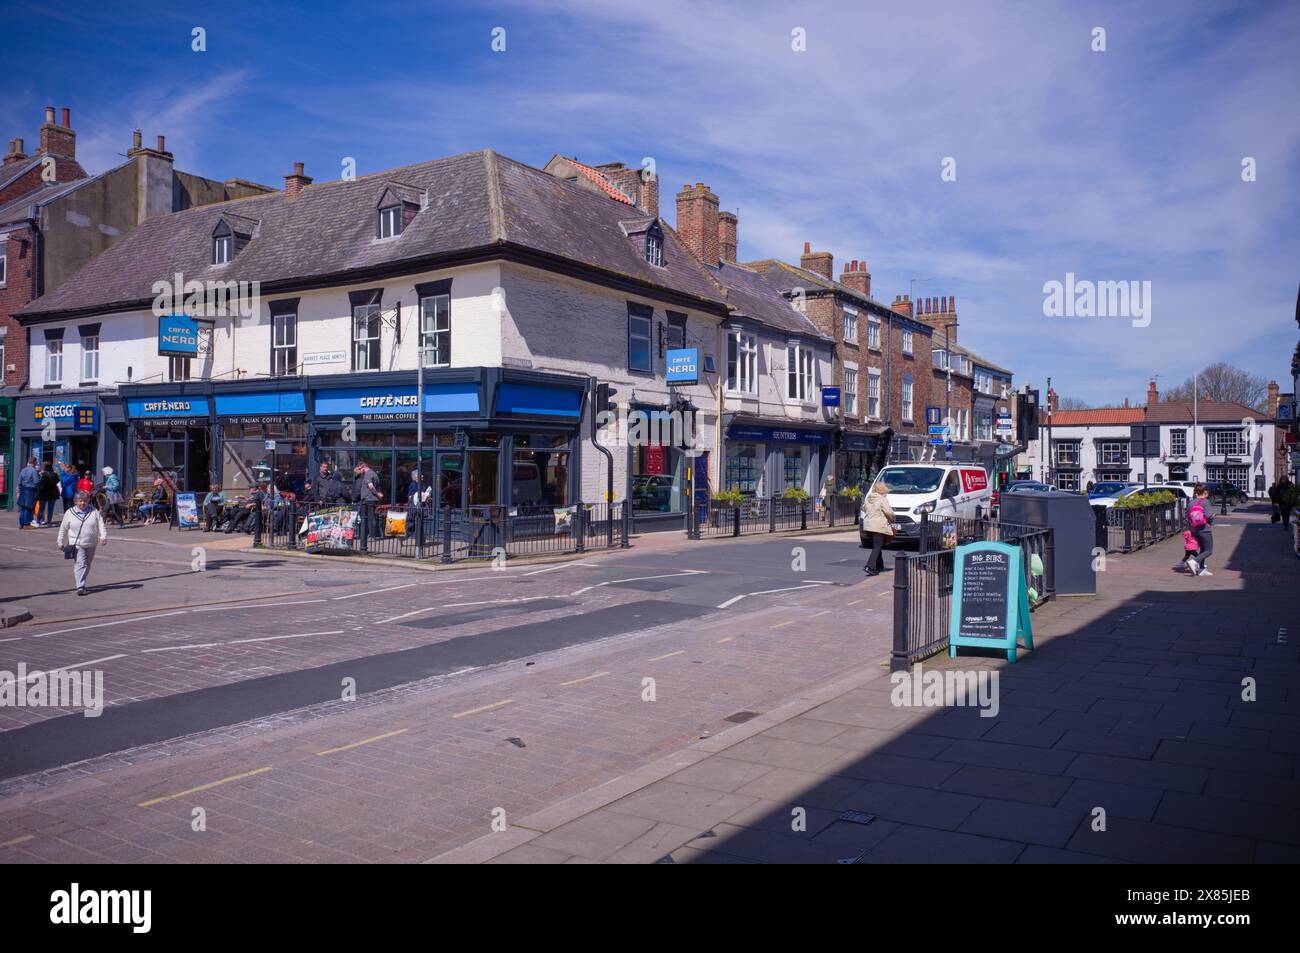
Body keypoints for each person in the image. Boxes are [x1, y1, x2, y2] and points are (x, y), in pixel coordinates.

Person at [56, 490, 108, 596]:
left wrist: (103, 536)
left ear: (88, 501)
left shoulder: (94, 511)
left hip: (91, 543)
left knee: (87, 564)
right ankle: (80, 586)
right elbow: (63, 528)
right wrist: (60, 541)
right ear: (76, 501)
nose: (82, 503)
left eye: (85, 501)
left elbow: (101, 524)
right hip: (77, 544)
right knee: (80, 564)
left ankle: (81, 582)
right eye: (80, 501)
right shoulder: (69, 513)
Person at [860, 481, 895, 576]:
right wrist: (893, 518)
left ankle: (879, 566)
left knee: (877, 545)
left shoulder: (868, 499)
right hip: (878, 526)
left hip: (868, 526)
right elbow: (889, 512)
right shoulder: (882, 499)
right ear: (883, 490)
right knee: (877, 546)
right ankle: (869, 566)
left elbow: (864, 508)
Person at [1188, 483, 1214, 577]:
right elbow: (1208, 516)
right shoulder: (1205, 502)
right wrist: (1213, 516)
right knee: (1209, 550)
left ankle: (1202, 569)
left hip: (1195, 529)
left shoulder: (1191, 503)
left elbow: (1188, 517)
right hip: (1205, 529)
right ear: (1206, 492)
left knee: (1203, 549)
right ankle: (1194, 561)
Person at [353, 461, 384, 535]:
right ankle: (372, 534)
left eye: (360, 469)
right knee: (371, 517)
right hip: (371, 499)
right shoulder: (374, 474)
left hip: (369, 499)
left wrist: (377, 494)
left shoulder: (368, 474)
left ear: (363, 467)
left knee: (368, 518)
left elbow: (371, 486)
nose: (359, 471)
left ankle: (370, 535)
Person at [17, 456, 40, 529]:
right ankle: (27, 524)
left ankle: (21, 524)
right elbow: (36, 482)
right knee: (28, 507)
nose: (37, 463)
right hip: (31, 490)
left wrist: (18, 491)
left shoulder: (23, 470)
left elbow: (19, 482)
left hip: (23, 490)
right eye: (36, 462)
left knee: (23, 507)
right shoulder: (33, 470)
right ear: (34, 462)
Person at [35, 462, 61, 527]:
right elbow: (57, 481)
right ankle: (49, 522)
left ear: (45, 467)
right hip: (53, 493)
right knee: (50, 509)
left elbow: (41, 484)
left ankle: (38, 521)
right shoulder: (55, 474)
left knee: (41, 508)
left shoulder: (44, 474)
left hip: (44, 493)